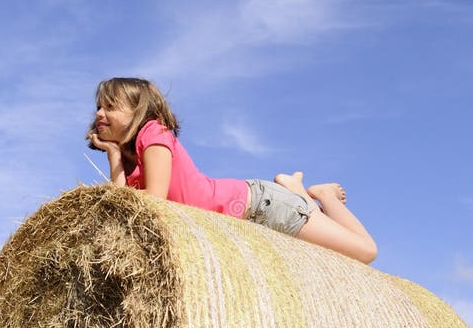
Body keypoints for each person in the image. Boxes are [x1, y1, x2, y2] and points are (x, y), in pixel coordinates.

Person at [86, 77, 377, 264]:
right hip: (249, 218)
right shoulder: (131, 158)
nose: (99, 113)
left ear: (139, 111)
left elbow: (153, 201)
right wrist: (113, 155)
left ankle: (322, 195)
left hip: (260, 207)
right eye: (99, 106)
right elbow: (122, 207)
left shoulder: (154, 131)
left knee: (365, 252)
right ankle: (296, 190)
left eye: (110, 106)